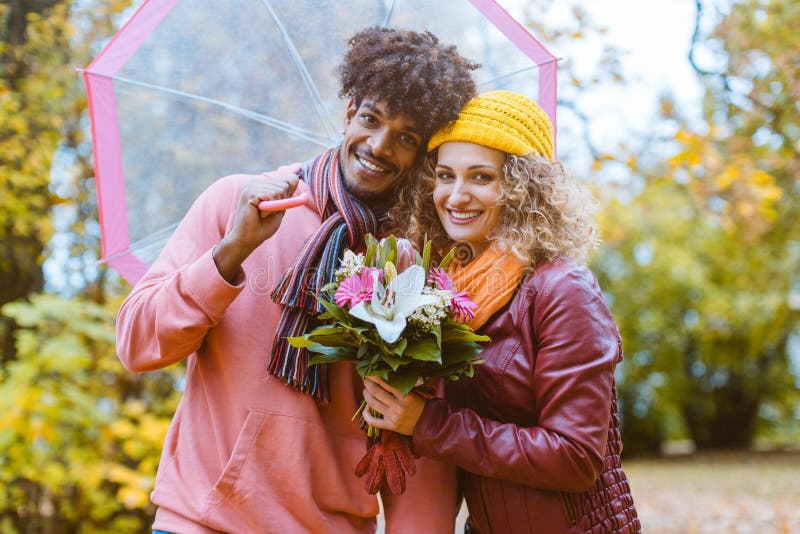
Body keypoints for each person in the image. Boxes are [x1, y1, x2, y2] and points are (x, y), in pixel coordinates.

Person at [115, 27, 478, 533]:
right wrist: (230, 253)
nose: (378, 145)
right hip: (198, 521)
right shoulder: (240, 204)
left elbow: (419, 452)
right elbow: (137, 344)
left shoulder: (415, 263)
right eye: (371, 119)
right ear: (349, 112)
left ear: (422, 154)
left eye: (406, 137)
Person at [363, 90, 641, 533]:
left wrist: (427, 423)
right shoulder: (448, 289)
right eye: (445, 175)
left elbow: (576, 456)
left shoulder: (561, 289)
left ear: (519, 188)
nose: (456, 196)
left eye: (480, 177)